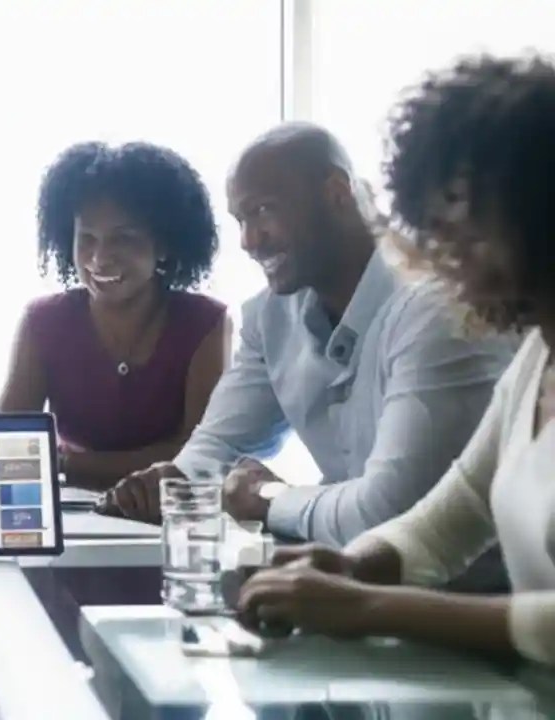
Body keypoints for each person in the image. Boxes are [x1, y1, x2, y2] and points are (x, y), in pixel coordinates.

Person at [239, 55, 555, 666]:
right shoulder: (536, 358)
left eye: (460, 229)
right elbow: (454, 512)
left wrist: (366, 607)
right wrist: (355, 564)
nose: (440, 257)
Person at [102, 122, 515, 560]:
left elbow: (390, 514)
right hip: (367, 589)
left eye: (264, 210)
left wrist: (268, 498)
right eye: (241, 220)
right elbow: (219, 449)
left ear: (337, 192)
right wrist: (174, 481)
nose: (249, 241)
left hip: (483, 606)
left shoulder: (435, 307)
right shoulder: (270, 316)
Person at [0, 141, 230, 489]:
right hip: (70, 516)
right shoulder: (43, 321)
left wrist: (71, 464)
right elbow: (6, 444)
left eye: (123, 239)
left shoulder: (204, 324)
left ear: (164, 245)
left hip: (166, 513)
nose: (99, 258)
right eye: (87, 239)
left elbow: (200, 455)